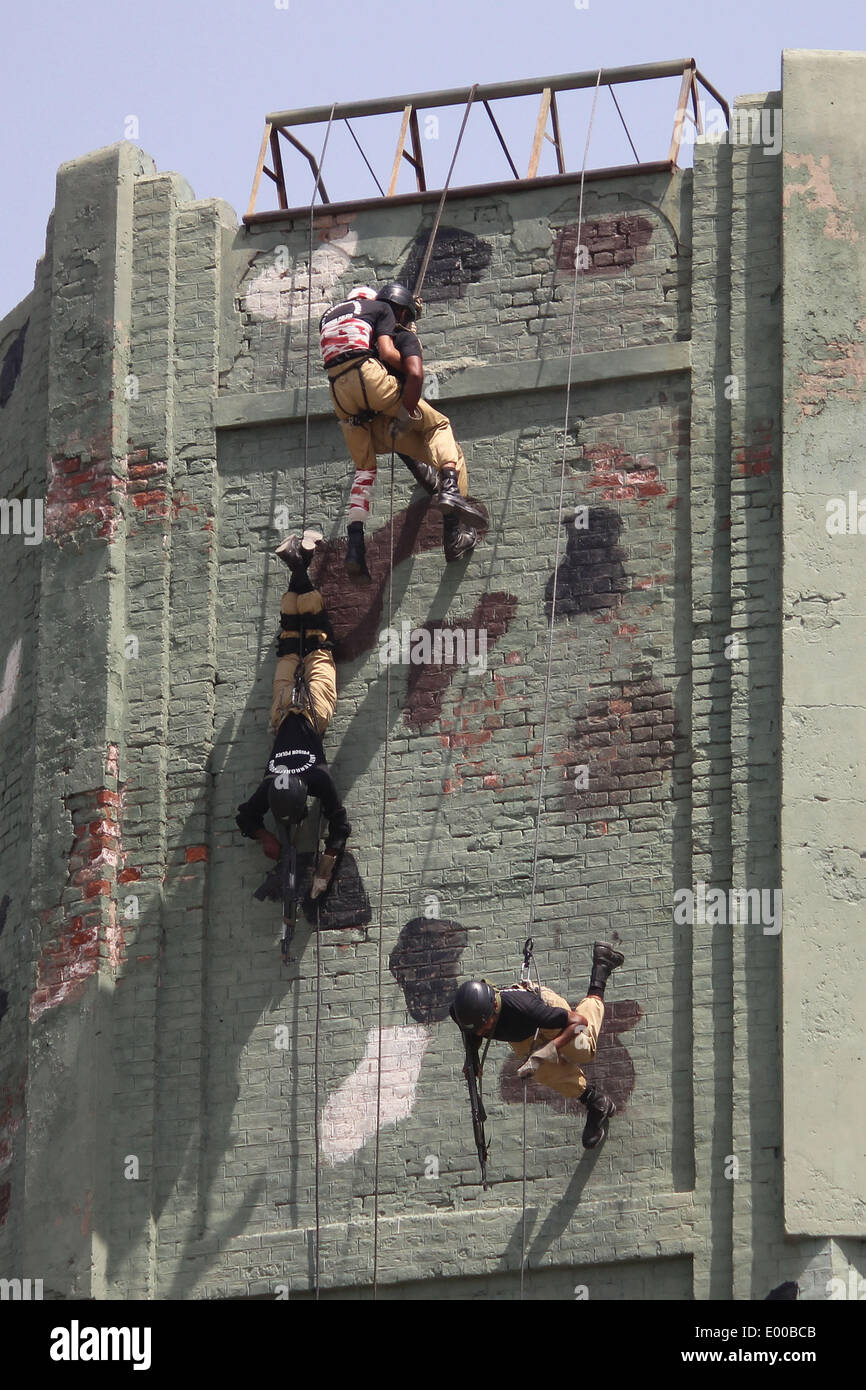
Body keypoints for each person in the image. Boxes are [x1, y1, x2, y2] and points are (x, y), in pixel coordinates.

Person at [319, 283, 485, 576]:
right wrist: (410, 368)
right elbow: (387, 352)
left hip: (339, 394)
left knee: (364, 469)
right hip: (368, 378)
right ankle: (450, 498)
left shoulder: (331, 316)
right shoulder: (381, 312)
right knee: (439, 426)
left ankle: (355, 542)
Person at [235, 529, 350, 901]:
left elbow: (338, 828)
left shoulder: (313, 780)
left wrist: (266, 838)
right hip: (292, 707)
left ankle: (299, 567)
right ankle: (297, 567)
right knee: (300, 638)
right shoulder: (284, 785)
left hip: (301, 708)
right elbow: (339, 827)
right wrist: (266, 836)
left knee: (307, 639)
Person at [450, 942, 625, 1149]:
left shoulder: (524, 1008)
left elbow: (578, 1022)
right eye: (476, 1028)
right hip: (520, 1036)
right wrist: (472, 1060)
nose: (480, 1032)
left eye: (484, 1026)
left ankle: (601, 969)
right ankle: (596, 1102)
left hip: (551, 1018)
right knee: (540, 1071)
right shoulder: (462, 1012)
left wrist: (547, 1051)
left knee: (584, 1050)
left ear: (494, 1007)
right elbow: (472, 1034)